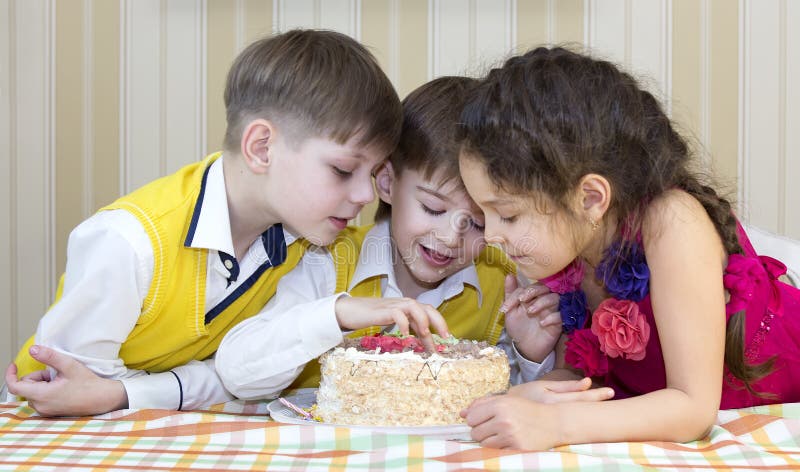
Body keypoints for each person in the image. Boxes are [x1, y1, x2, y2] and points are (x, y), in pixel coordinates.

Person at [3, 29, 408, 416]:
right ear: (262, 148)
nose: (365, 196)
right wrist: (141, 391)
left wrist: (126, 392)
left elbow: (243, 377)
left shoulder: (306, 239)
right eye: (342, 170)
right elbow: (75, 391)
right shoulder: (128, 242)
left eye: (372, 174)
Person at [457, 46, 800, 450]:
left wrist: (556, 425)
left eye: (508, 215)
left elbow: (693, 408)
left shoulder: (672, 224)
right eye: (483, 212)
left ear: (589, 199)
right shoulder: (563, 246)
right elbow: (592, 382)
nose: (492, 234)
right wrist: (539, 393)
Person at [214, 76, 613, 400]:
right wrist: (338, 314)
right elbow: (237, 375)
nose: (449, 237)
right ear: (387, 182)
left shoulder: (502, 287)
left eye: (477, 223)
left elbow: (509, 410)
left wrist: (529, 355)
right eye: (433, 209)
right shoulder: (327, 259)